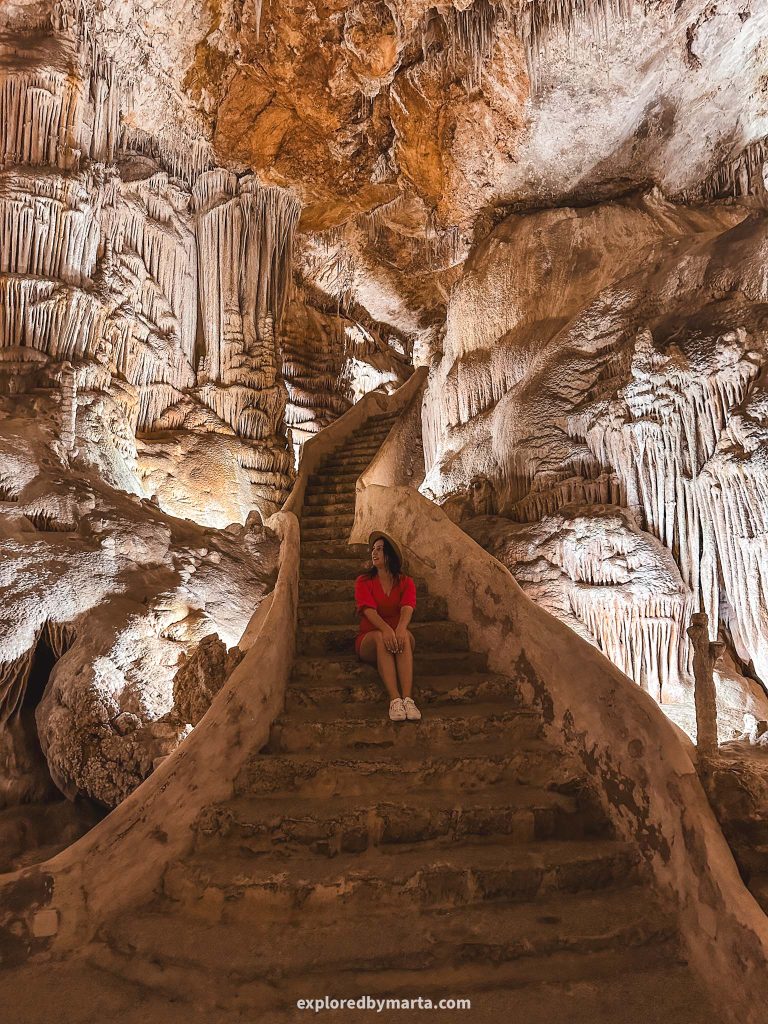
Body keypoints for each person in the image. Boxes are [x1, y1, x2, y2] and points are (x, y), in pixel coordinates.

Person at [354, 532, 421, 722]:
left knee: (405, 636)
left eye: (380, 549)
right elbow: (368, 610)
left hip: (398, 636)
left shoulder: (406, 582)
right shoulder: (363, 581)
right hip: (370, 638)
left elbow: (408, 607)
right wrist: (386, 629)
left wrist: (399, 629)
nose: (374, 553)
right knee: (380, 637)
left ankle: (408, 700)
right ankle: (394, 700)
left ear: (389, 554)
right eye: (373, 549)